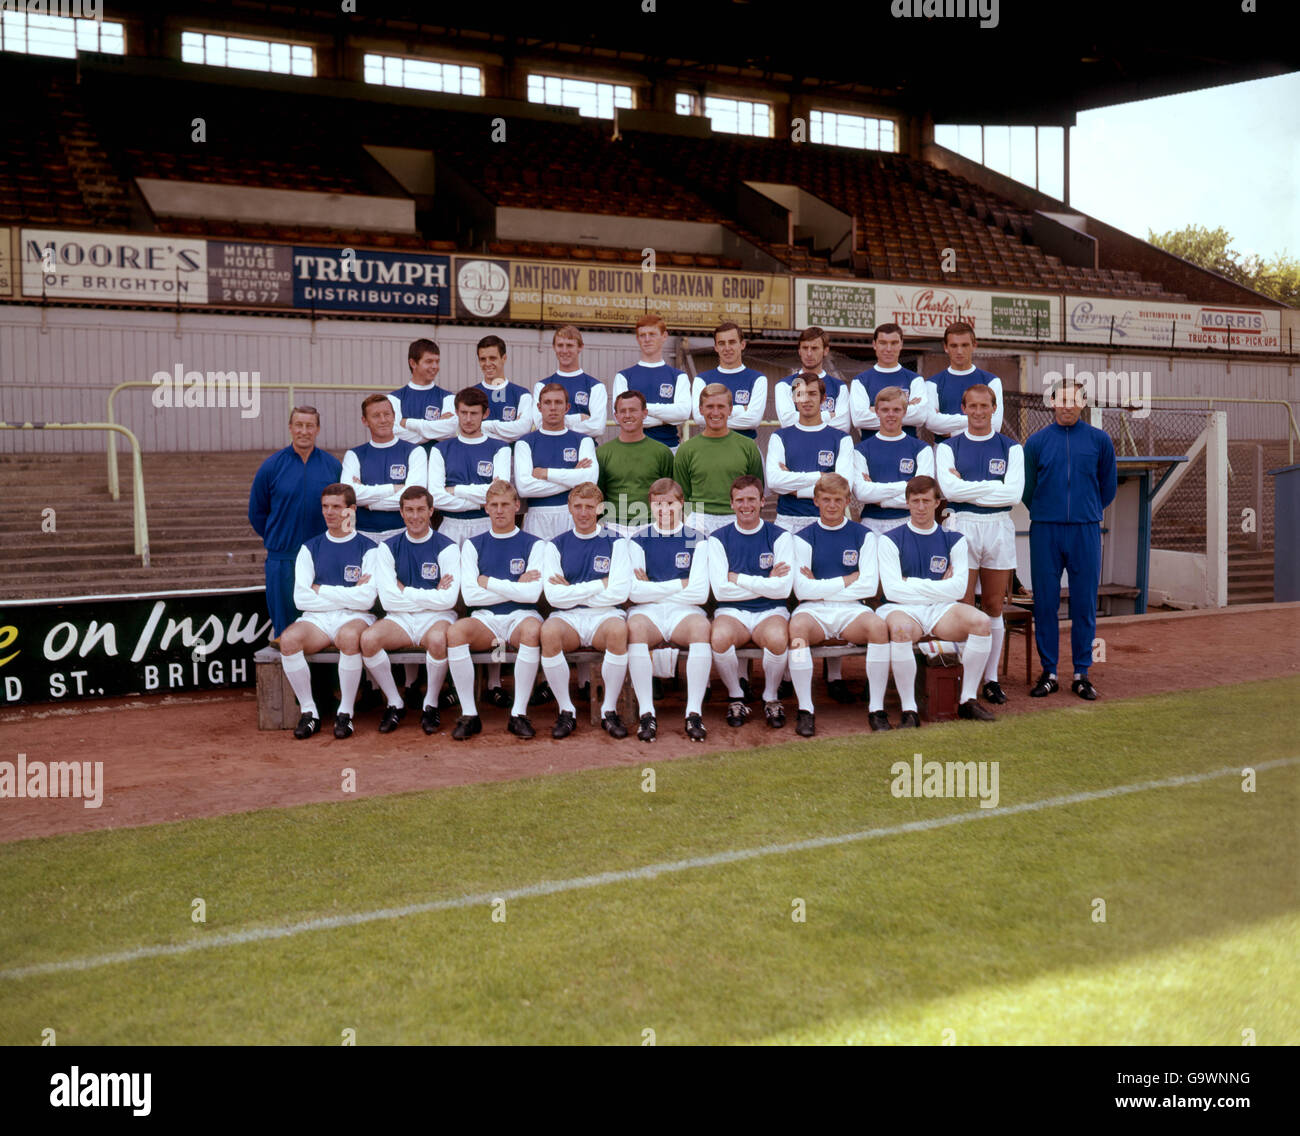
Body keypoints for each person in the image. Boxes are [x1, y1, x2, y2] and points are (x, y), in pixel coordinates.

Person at [1023, 377, 1117, 700]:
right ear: (1052, 403)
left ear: (1083, 402)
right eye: (1060, 400)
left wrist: (1084, 511)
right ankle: (1049, 671)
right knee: (1046, 602)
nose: (1066, 406)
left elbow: (1108, 488)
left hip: (1085, 529)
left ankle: (1081, 672)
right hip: (1045, 530)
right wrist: (1048, 510)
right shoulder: (1035, 443)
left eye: (1072, 400)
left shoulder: (1100, 441)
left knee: (1084, 603)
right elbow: (1027, 489)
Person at [876, 475, 996, 726]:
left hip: (941, 610)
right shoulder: (889, 539)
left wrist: (910, 582)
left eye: (926, 501)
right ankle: (909, 709)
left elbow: (959, 588)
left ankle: (967, 700)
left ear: (937, 502)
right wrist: (940, 585)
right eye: (915, 501)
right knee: (900, 630)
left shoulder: (955, 539)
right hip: (901, 608)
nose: (921, 507)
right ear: (907, 503)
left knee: (982, 622)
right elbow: (893, 590)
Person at [935, 383, 1025, 705]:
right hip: (961, 525)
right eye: (971, 406)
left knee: (993, 606)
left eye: (984, 406)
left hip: (998, 525)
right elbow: (950, 491)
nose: (978, 412)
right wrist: (989, 487)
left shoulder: (1011, 448)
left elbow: (1013, 495)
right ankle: (961, 675)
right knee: (962, 604)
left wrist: (967, 485)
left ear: (993, 408)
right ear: (963, 408)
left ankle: (991, 678)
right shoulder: (948, 447)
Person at [277, 484, 381, 740]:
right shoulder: (309, 548)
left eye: (336, 506)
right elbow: (301, 598)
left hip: (356, 617)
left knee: (348, 637)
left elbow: (366, 599)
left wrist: (320, 589)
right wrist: (347, 594)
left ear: (351, 510)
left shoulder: (370, 548)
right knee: (288, 641)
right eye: (325, 506)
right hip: (318, 619)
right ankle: (309, 711)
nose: (329, 512)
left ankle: (345, 712)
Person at [788, 474, 890, 735]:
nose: (832, 505)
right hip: (813, 611)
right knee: (797, 629)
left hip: (852, 609)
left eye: (837, 500)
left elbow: (868, 586)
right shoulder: (802, 537)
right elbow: (802, 589)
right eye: (826, 500)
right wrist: (847, 579)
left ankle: (876, 709)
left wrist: (821, 587)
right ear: (816, 501)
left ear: (847, 501)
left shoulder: (865, 536)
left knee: (878, 627)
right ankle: (805, 709)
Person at [446, 481, 548, 739]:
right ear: (486, 508)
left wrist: (488, 581)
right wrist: (515, 585)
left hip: (522, 615)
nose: (500, 510)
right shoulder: (472, 545)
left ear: (517, 506)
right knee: (456, 632)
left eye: (505, 504)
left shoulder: (535, 544)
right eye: (494, 505)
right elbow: (470, 596)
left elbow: (531, 594)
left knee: (533, 631)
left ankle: (518, 714)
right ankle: (469, 714)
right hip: (485, 619)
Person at [359, 487, 461, 735]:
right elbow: (388, 600)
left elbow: (448, 600)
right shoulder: (387, 547)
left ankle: (431, 703)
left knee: (438, 640)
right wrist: (430, 595)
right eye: (409, 510)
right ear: (402, 513)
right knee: (369, 640)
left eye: (420, 510)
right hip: (400, 618)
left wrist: (404, 591)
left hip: (438, 617)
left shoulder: (447, 547)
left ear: (431, 511)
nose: (415, 516)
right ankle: (396, 702)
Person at [539, 484, 632, 739]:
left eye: (589, 507)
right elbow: (554, 596)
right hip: (568, 618)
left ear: (600, 509)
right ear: (569, 508)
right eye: (578, 506)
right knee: (548, 632)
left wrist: (574, 590)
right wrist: (599, 584)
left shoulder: (616, 543)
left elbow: (619, 593)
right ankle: (566, 710)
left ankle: (609, 710)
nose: (583, 513)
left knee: (618, 630)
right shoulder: (555, 545)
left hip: (605, 615)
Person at [625, 478, 712, 743]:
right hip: (648, 611)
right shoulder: (637, 540)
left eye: (670, 504)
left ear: (681, 504)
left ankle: (693, 713)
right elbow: (634, 592)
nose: (664, 510)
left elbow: (699, 592)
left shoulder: (698, 541)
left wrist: (654, 585)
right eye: (658, 504)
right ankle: (647, 713)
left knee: (701, 628)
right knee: (635, 628)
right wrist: (679, 583)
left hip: (684, 611)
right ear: (650, 506)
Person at [706, 476, 796, 729]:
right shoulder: (718, 539)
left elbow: (783, 589)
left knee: (778, 639)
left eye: (751, 499)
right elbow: (721, 591)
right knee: (720, 637)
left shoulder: (780, 537)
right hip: (731, 611)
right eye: (740, 500)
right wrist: (765, 583)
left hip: (771, 611)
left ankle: (771, 697)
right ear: (732, 504)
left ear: (762, 501)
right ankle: (736, 696)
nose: (746, 505)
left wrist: (739, 578)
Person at [249, 405, 342, 638]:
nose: (304, 431)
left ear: (317, 429)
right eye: (299, 425)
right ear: (291, 428)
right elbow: (257, 513)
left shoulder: (332, 466)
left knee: (323, 627)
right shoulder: (272, 466)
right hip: (283, 560)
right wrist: (279, 537)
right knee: (285, 630)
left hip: (322, 561)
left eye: (309, 425)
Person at [765, 372, 853, 535]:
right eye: (800, 394)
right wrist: (821, 476)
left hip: (827, 522)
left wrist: (794, 490)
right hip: (787, 522)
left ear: (823, 398)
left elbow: (843, 486)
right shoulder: (780, 437)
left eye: (812, 394)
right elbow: (774, 481)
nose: (806, 400)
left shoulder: (841, 439)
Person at [673, 384, 764, 536]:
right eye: (710, 406)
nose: (715, 412)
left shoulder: (748, 447)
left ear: (730, 409)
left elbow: (756, 488)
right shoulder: (686, 450)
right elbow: (683, 494)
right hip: (699, 519)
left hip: (737, 516)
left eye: (721, 406)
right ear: (701, 409)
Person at [428, 387, 513, 546]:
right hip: (450, 525)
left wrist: (455, 490)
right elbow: (436, 498)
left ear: (485, 414)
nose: (468, 419)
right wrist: (482, 501)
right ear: (456, 413)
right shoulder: (440, 449)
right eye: (463, 413)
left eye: (473, 413)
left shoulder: (500, 448)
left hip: (486, 524)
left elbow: (500, 494)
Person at [515, 382, 599, 540]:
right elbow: (525, 488)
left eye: (558, 402)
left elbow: (590, 480)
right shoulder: (525, 443)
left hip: (570, 515)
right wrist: (574, 476)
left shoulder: (583, 440)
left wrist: (546, 473)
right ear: (539, 407)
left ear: (567, 408)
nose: (553, 407)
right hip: (537, 516)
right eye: (547, 402)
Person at [341, 393, 428, 541]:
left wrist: (369, 503)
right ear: (365, 421)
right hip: (363, 534)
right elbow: (348, 497)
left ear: (394, 417)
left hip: (403, 533)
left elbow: (414, 499)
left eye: (387, 414)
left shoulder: (415, 451)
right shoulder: (354, 455)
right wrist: (395, 488)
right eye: (376, 416)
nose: (383, 420)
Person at [853, 386, 936, 536]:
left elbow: (922, 493)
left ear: (905, 412)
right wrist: (908, 485)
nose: (891, 415)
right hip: (872, 523)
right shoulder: (861, 450)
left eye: (896, 410)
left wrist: (879, 498)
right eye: (885, 410)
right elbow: (862, 493)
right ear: (877, 411)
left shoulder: (921, 448)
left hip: (909, 522)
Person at [596, 390, 675, 534]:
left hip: (651, 524)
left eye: (633, 410)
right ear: (616, 416)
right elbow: (599, 494)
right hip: (613, 525)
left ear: (644, 413)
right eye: (623, 411)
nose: (627, 415)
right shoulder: (603, 453)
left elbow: (669, 493)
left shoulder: (662, 452)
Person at [612, 313, 692, 451]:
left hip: (669, 449)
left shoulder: (678, 376)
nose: (647, 339)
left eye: (652, 334)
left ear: (664, 336)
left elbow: (683, 413)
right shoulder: (623, 376)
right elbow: (619, 417)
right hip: (633, 449)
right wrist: (665, 419)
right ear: (637, 339)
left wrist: (641, 410)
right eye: (642, 335)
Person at [923, 321, 1005, 438]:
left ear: (974, 346)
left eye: (964, 345)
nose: (959, 351)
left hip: (981, 449)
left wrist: (951, 432)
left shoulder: (992, 381)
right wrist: (978, 419)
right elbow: (931, 422)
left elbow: (995, 425)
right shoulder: (932, 383)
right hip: (944, 451)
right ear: (945, 347)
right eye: (954, 346)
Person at [849, 322, 928, 436]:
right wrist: (906, 407)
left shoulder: (915, 380)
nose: (888, 349)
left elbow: (920, 417)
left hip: (907, 449)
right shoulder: (860, 381)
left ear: (901, 344)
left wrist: (873, 410)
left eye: (894, 343)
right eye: (883, 343)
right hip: (871, 449)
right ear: (874, 344)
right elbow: (859, 419)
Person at [691, 321, 767, 440]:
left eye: (732, 342)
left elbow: (753, 420)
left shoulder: (758, 379)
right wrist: (741, 409)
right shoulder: (702, 379)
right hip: (713, 446)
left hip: (745, 448)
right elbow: (699, 418)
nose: (727, 348)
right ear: (716, 347)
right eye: (722, 343)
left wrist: (715, 419)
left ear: (742, 344)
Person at [531, 324, 607, 439]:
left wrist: (556, 423)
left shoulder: (595, 386)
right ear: (554, 347)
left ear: (580, 347)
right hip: (549, 447)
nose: (564, 350)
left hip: (583, 452)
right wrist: (579, 418)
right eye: (560, 345)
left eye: (570, 345)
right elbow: (541, 425)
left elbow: (597, 427)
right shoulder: (541, 386)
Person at [774, 326, 849, 430]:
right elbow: (788, 422)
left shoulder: (839, 387)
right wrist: (828, 415)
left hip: (827, 445)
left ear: (825, 351)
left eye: (814, 348)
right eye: (805, 348)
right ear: (799, 351)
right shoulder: (784, 385)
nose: (809, 354)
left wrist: (802, 419)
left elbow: (843, 426)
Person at [389, 337, 457, 445]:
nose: (435, 366)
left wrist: (406, 423)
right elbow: (394, 432)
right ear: (413, 363)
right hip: (404, 460)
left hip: (436, 460)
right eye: (429, 361)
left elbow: (450, 430)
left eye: (437, 361)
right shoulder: (394, 398)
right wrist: (436, 426)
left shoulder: (448, 397)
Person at [474, 334, 534, 443]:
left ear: (504, 358)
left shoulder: (522, 394)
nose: (487, 364)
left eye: (492, 358)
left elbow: (523, 429)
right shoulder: (469, 394)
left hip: (510, 458)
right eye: (483, 359)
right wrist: (510, 431)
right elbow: (464, 429)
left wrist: (483, 426)